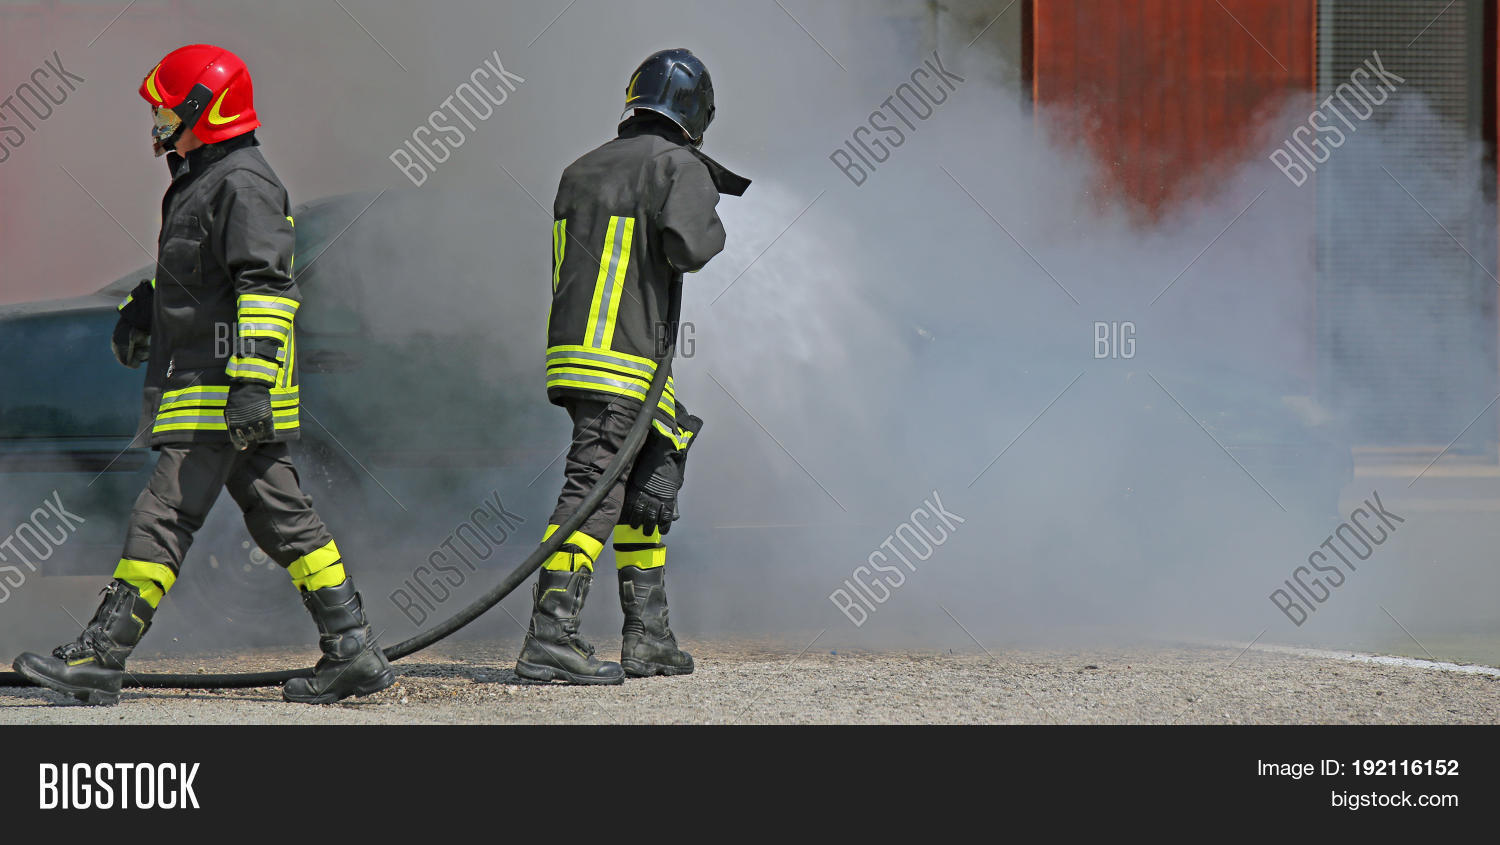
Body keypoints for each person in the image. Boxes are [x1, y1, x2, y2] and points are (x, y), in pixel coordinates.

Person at [11, 44, 393, 706]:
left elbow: (266, 289)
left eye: (166, 107)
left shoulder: (243, 183)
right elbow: (202, 281)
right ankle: (351, 648)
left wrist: (250, 384)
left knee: (162, 514)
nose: (157, 119)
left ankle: (102, 656)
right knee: (284, 521)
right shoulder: (202, 181)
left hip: (222, 391)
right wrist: (146, 308)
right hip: (207, 386)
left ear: (202, 108)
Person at [516, 48, 750, 684]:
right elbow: (690, 247)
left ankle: (648, 637)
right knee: (594, 492)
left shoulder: (581, 167)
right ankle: (550, 637)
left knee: (648, 487)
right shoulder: (679, 166)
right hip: (625, 360)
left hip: (588, 355)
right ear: (697, 112)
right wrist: (708, 207)